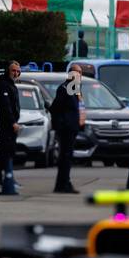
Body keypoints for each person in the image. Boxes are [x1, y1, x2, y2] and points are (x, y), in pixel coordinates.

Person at [49, 64, 86, 193]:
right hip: (66, 129)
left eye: (81, 73)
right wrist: (62, 123)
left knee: (68, 157)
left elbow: (77, 108)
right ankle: (63, 184)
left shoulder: (74, 88)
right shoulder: (64, 88)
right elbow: (55, 107)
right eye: (77, 73)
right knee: (65, 157)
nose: (80, 75)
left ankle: (64, 183)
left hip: (72, 128)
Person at [0, 61, 22, 187]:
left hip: (12, 124)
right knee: (6, 151)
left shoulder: (12, 85)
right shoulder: (4, 85)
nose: (15, 73)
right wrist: (13, 122)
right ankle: (3, 179)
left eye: (17, 71)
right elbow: (6, 106)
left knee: (7, 151)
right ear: (8, 71)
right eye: (13, 70)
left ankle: (4, 178)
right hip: (6, 124)